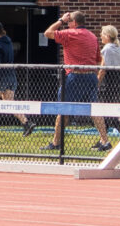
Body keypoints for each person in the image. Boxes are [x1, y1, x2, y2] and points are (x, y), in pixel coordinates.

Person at [42, 11, 104, 152]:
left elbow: (47, 33)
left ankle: (56, 142)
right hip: (91, 76)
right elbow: (97, 59)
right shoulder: (93, 36)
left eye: (69, 22)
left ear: (74, 23)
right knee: (94, 109)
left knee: (62, 109)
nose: (67, 24)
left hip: (75, 76)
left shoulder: (70, 34)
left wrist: (61, 20)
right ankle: (105, 140)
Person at [0, 21, 32, 137]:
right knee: (10, 103)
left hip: (0, 78)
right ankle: (26, 122)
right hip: (11, 77)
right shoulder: (8, 41)